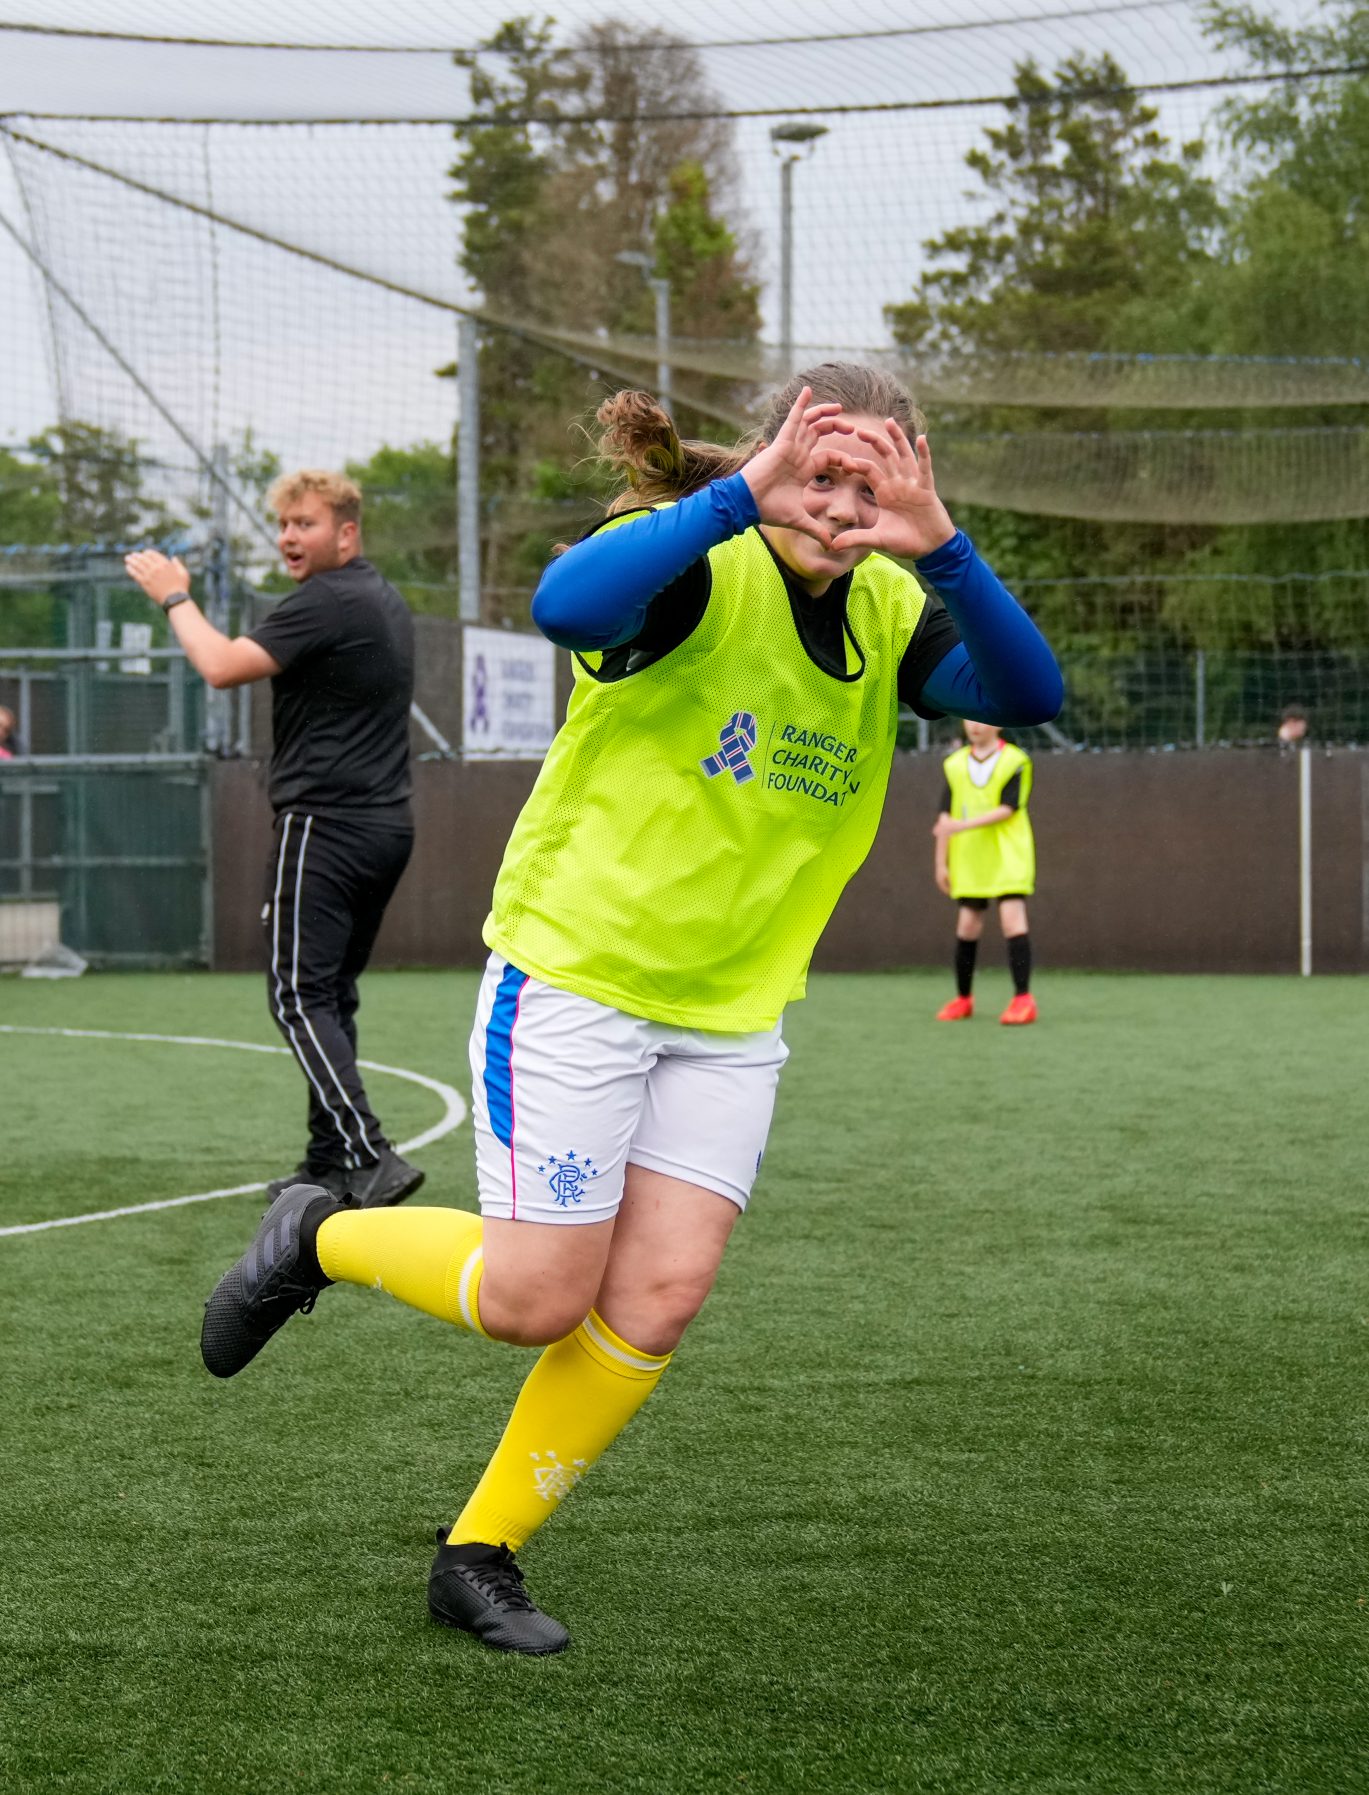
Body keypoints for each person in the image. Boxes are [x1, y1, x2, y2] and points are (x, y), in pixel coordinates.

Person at [198, 364, 1063, 1657]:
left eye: (865, 480)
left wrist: (939, 543)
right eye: (816, 470)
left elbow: (1029, 687)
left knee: (657, 1293)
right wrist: (738, 500)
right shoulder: (689, 560)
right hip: (579, 974)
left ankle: (478, 1548)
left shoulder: (895, 603)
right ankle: (318, 1232)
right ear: (769, 454)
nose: (837, 503)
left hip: (730, 1010)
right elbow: (564, 602)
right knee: (540, 1293)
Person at [124, 471, 424, 1210]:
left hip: (325, 824)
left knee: (296, 994)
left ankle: (366, 1150)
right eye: (284, 524)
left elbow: (221, 666)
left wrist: (174, 594)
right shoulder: (380, 596)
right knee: (329, 995)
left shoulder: (327, 600)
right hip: (385, 824)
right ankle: (330, 1162)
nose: (289, 536)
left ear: (346, 533)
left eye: (305, 523)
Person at [933, 718, 1037, 1025]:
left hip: (1008, 854)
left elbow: (1008, 809)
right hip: (970, 857)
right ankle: (963, 999)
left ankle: (1023, 998)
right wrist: (941, 862)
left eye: (983, 719)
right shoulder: (954, 765)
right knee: (967, 926)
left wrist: (961, 826)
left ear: (1001, 724)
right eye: (969, 718)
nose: (975, 725)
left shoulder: (1016, 761)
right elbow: (944, 818)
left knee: (1011, 919)